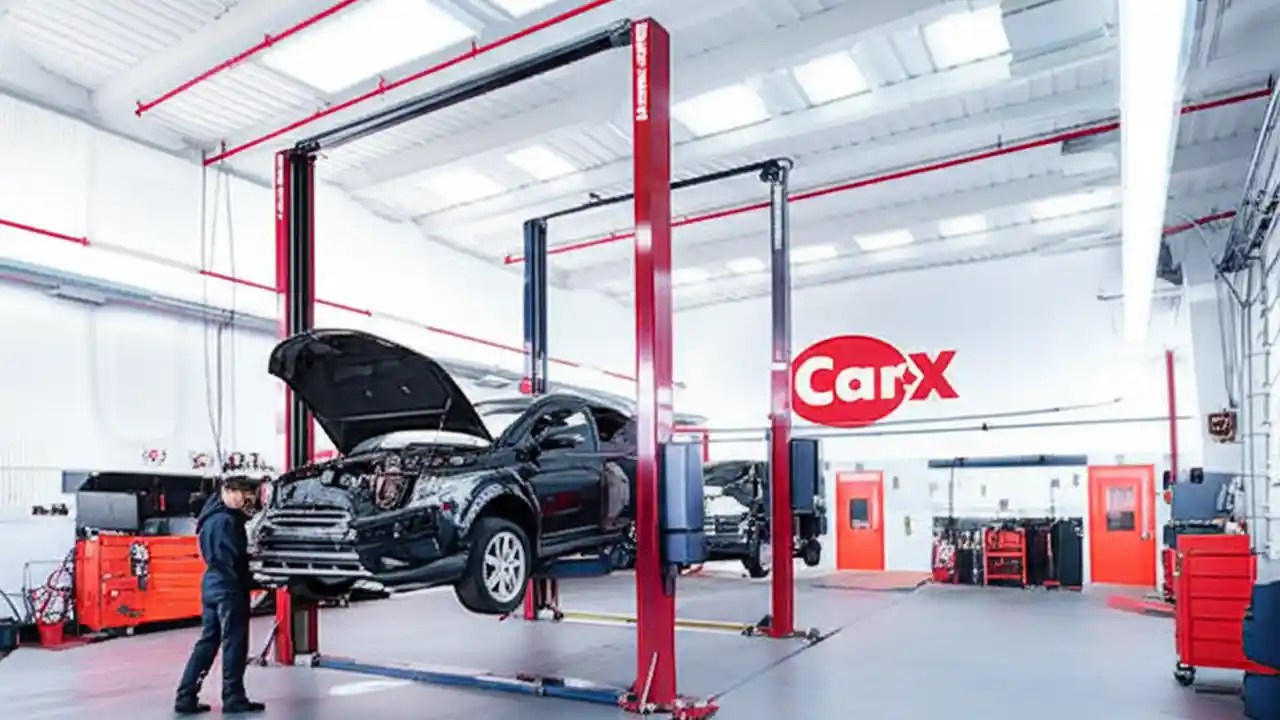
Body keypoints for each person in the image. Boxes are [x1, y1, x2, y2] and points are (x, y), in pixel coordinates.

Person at [174, 475, 266, 715]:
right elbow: (231, 560)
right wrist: (256, 579)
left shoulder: (210, 517)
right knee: (234, 642)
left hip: (212, 584)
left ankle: (185, 696)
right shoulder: (225, 521)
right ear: (230, 491)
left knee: (207, 641)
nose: (248, 501)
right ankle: (233, 698)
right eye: (245, 496)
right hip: (228, 586)